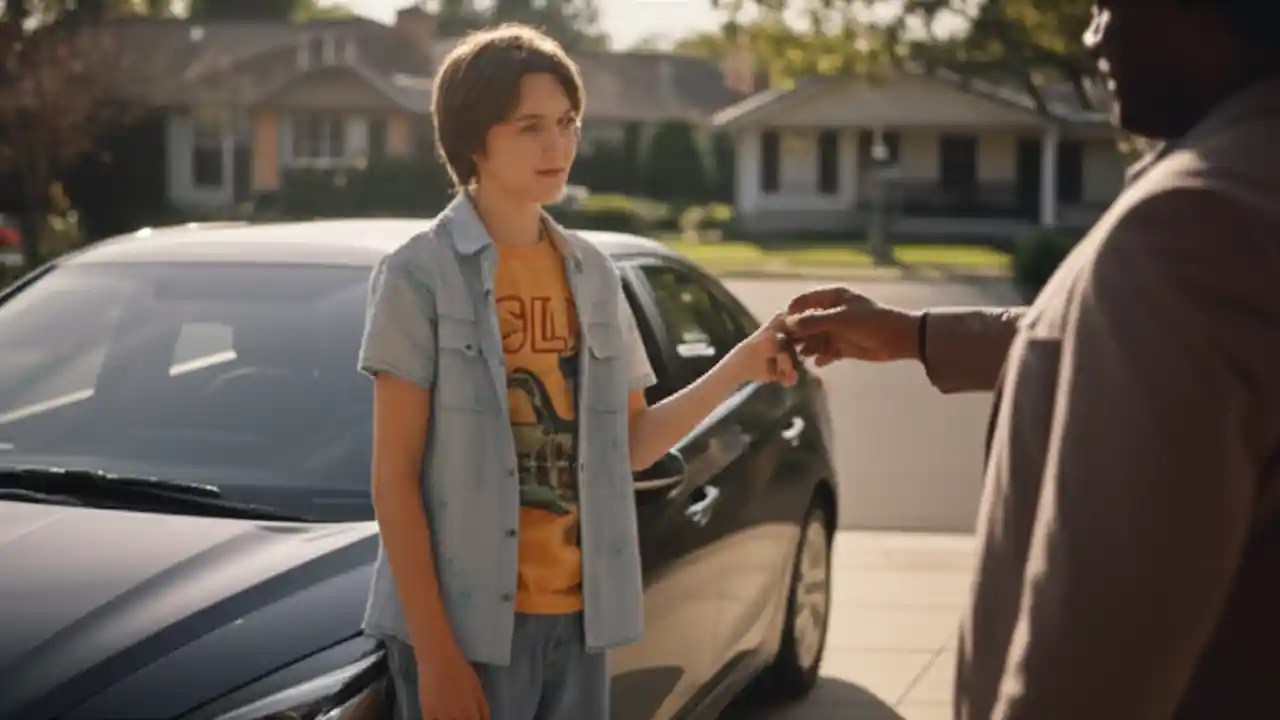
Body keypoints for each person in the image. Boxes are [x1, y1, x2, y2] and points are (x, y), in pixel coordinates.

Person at [784, 1, 1280, 718]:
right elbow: (1112, 340)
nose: (1092, 35)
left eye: (1110, 7)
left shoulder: (1192, 223)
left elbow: (1104, 643)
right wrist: (913, 335)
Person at [357, 24, 797, 720]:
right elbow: (393, 481)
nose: (557, 145)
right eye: (530, 126)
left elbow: (631, 443)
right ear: (476, 139)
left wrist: (741, 365)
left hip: (582, 623)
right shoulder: (419, 277)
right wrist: (438, 656)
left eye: (567, 123)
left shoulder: (592, 274)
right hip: (469, 633)